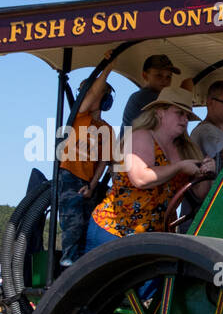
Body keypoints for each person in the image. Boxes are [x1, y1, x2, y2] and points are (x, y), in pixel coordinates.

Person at [87, 87, 211, 250]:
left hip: (156, 238)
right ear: (160, 112)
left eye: (187, 116)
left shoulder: (187, 150)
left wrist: (207, 170)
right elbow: (141, 178)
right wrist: (179, 167)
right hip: (114, 232)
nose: (185, 119)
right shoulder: (139, 136)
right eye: (179, 113)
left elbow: (200, 193)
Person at [57, 56, 118, 265]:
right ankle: (68, 262)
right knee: (72, 224)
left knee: (88, 225)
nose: (86, 96)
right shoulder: (79, 117)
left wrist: (92, 186)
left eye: (91, 92)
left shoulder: (107, 130)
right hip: (69, 175)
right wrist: (107, 67)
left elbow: (103, 162)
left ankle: (85, 263)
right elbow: (93, 94)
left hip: (87, 181)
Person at [119, 54, 193, 134]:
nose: (164, 80)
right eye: (159, 75)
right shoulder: (143, 97)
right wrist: (185, 91)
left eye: (168, 76)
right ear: (145, 76)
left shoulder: (162, 98)